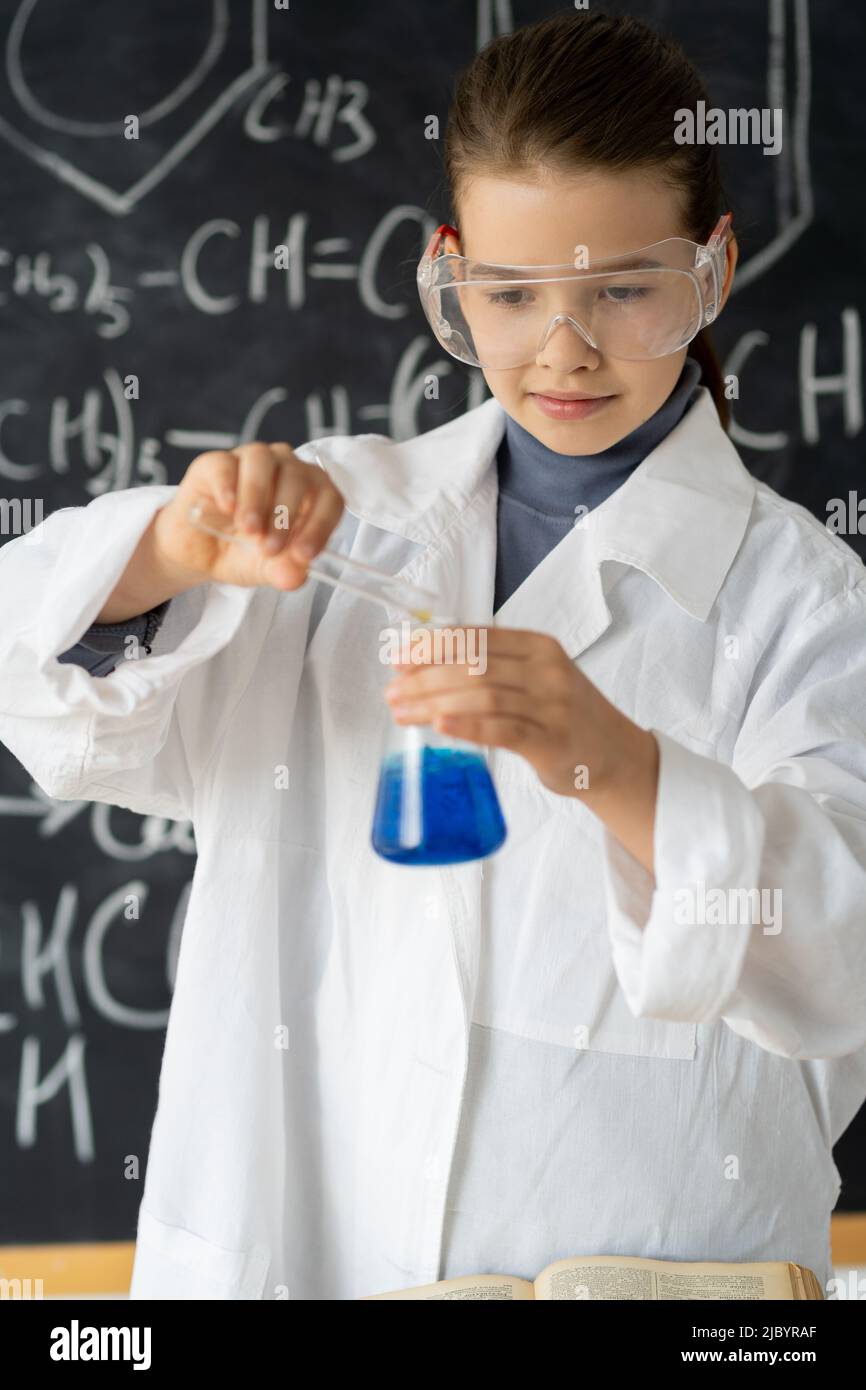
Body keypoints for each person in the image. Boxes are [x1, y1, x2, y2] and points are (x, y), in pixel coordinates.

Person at [2, 10, 865, 1300]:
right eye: (511, 296)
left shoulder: (805, 594)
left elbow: (840, 952)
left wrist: (614, 761)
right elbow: (51, 694)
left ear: (713, 269)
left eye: (625, 289)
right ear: (449, 273)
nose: (564, 348)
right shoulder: (339, 519)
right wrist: (171, 555)